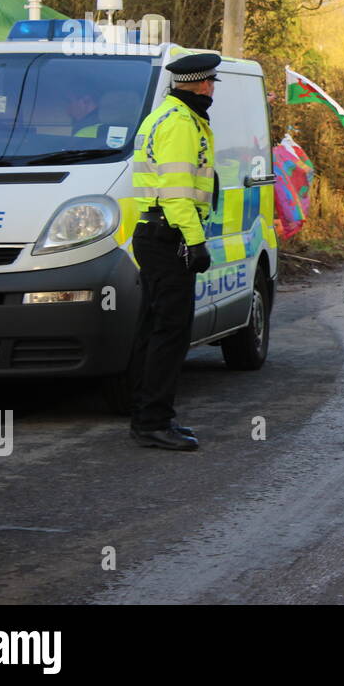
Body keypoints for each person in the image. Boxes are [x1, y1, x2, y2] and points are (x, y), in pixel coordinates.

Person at [129, 52, 221, 451]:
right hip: (169, 237)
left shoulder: (162, 116)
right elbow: (178, 191)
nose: (213, 89)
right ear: (201, 84)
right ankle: (153, 421)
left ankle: (149, 416)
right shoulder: (181, 124)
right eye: (211, 83)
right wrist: (196, 241)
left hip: (154, 234)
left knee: (154, 329)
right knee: (170, 332)